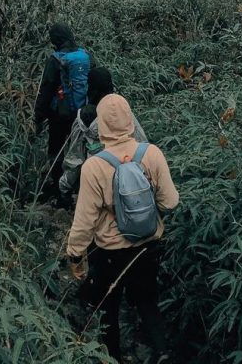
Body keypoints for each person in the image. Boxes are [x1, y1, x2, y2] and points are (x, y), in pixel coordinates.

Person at [66, 93, 179, 363]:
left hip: (110, 253)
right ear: (130, 119)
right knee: (148, 302)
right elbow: (170, 202)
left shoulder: (94, 166)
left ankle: (113, 357)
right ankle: (162, 352)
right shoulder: (151, 153)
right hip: (147, 248)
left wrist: (75, 255)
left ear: (101, 124)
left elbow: (84, 221)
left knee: (109, 309)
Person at [59, 67, 147, 200]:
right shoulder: (122, 111)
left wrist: (64, 187)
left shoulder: (83, 117)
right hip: (127, 180)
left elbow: (74, 158)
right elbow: (141, 142)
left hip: (97, 179)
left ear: (90, 87)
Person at [32, 21, 93, 200]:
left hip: (59, 114)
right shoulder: (85, 55)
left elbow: (46, 89)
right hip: (82, 113)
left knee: (56, 148)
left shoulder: (56, 60)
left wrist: (38, 117)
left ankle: (58, 188)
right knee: (79, 148)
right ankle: (79, 186)